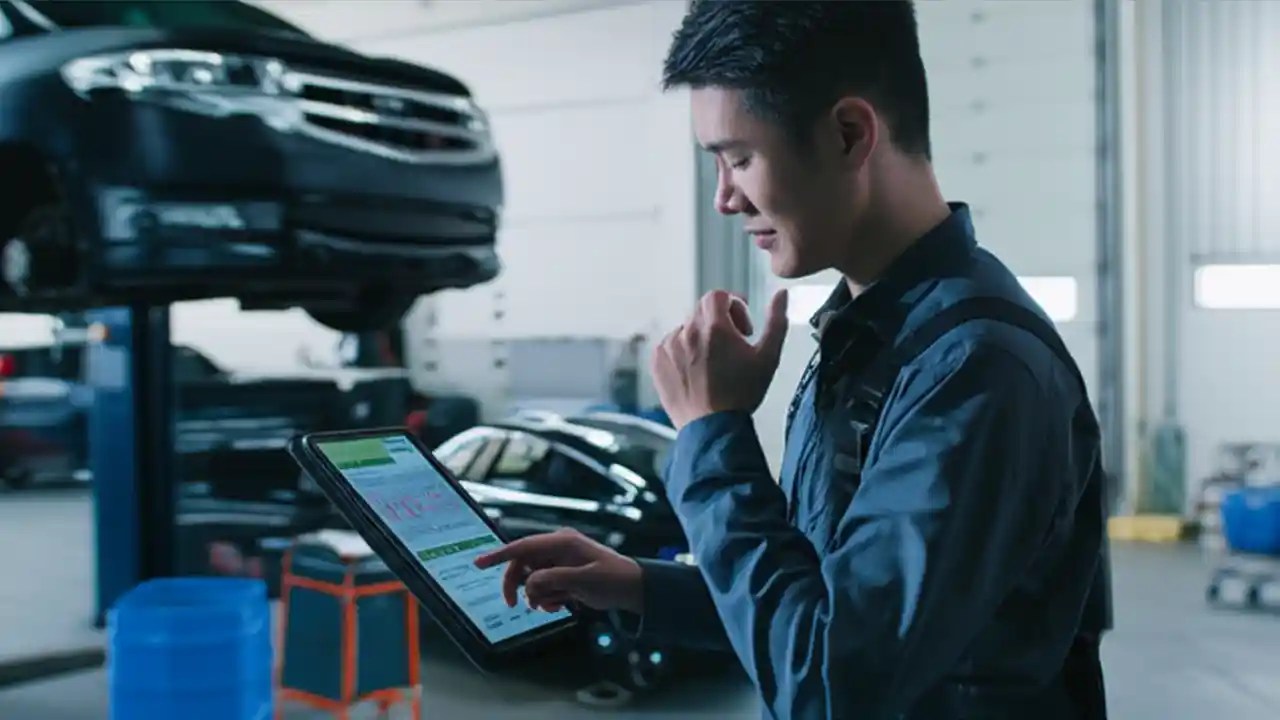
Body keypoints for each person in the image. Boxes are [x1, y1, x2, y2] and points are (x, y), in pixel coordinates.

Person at [475, 2, 1111, 718]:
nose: (723, 198)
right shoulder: (877, 335)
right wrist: (641, 585)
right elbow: (816, 604)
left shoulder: (977, 372)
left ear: (848, 134)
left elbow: (832, 685)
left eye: (739, 157)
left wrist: (710, 435)